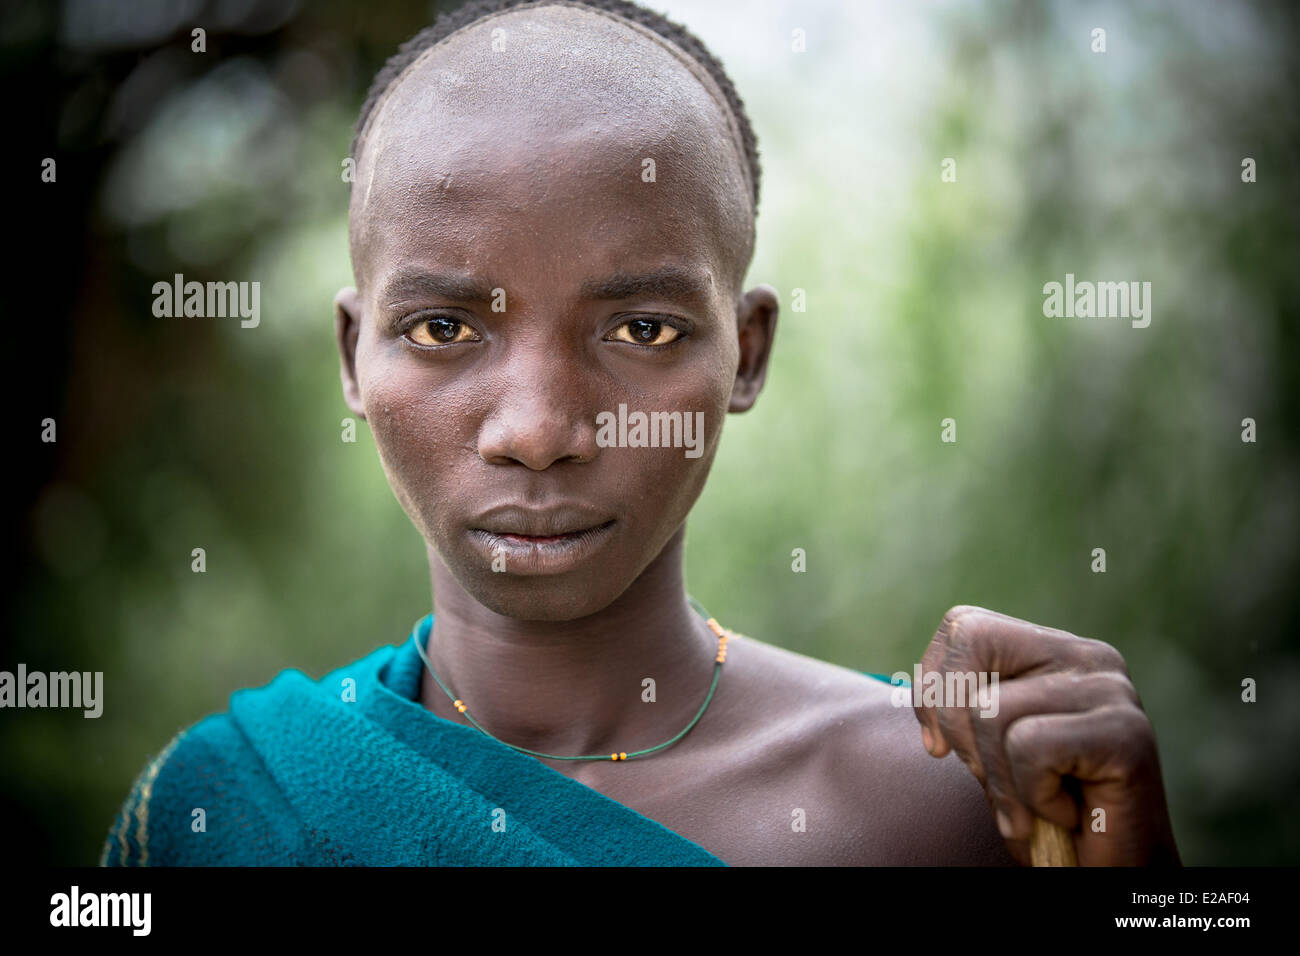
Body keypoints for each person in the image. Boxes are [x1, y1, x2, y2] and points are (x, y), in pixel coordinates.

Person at [102, 0, 1180, 866]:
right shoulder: (225, 811)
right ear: (353, 356)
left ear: (745, 352)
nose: (537, 431)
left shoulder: (942, 806)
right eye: (442, 326)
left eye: (641, 327)